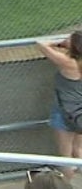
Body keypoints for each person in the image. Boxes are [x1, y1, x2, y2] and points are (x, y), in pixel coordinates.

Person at [35, 31, 82, 179]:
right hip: (80, 113)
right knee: (79, 150)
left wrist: (60, 43)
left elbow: (40, 44)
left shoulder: (68, 63)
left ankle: (66, 185)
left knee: (65, 157)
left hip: (64, 114)